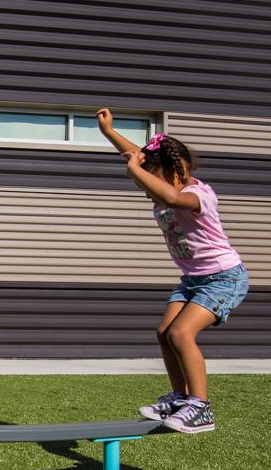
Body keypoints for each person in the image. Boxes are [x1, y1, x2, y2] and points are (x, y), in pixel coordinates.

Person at [98, 109, 248, 434]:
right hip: (192, 279)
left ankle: (201, 407)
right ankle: (180, 397)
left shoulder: (197, 195)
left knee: (181, 334)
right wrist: (109, 132)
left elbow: (171, 196)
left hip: (224, 277)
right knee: (165, 332)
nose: (148, 189)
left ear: (175, 173)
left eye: (153, 180)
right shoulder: (168, 182)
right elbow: (137, 156)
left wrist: (134, 169)